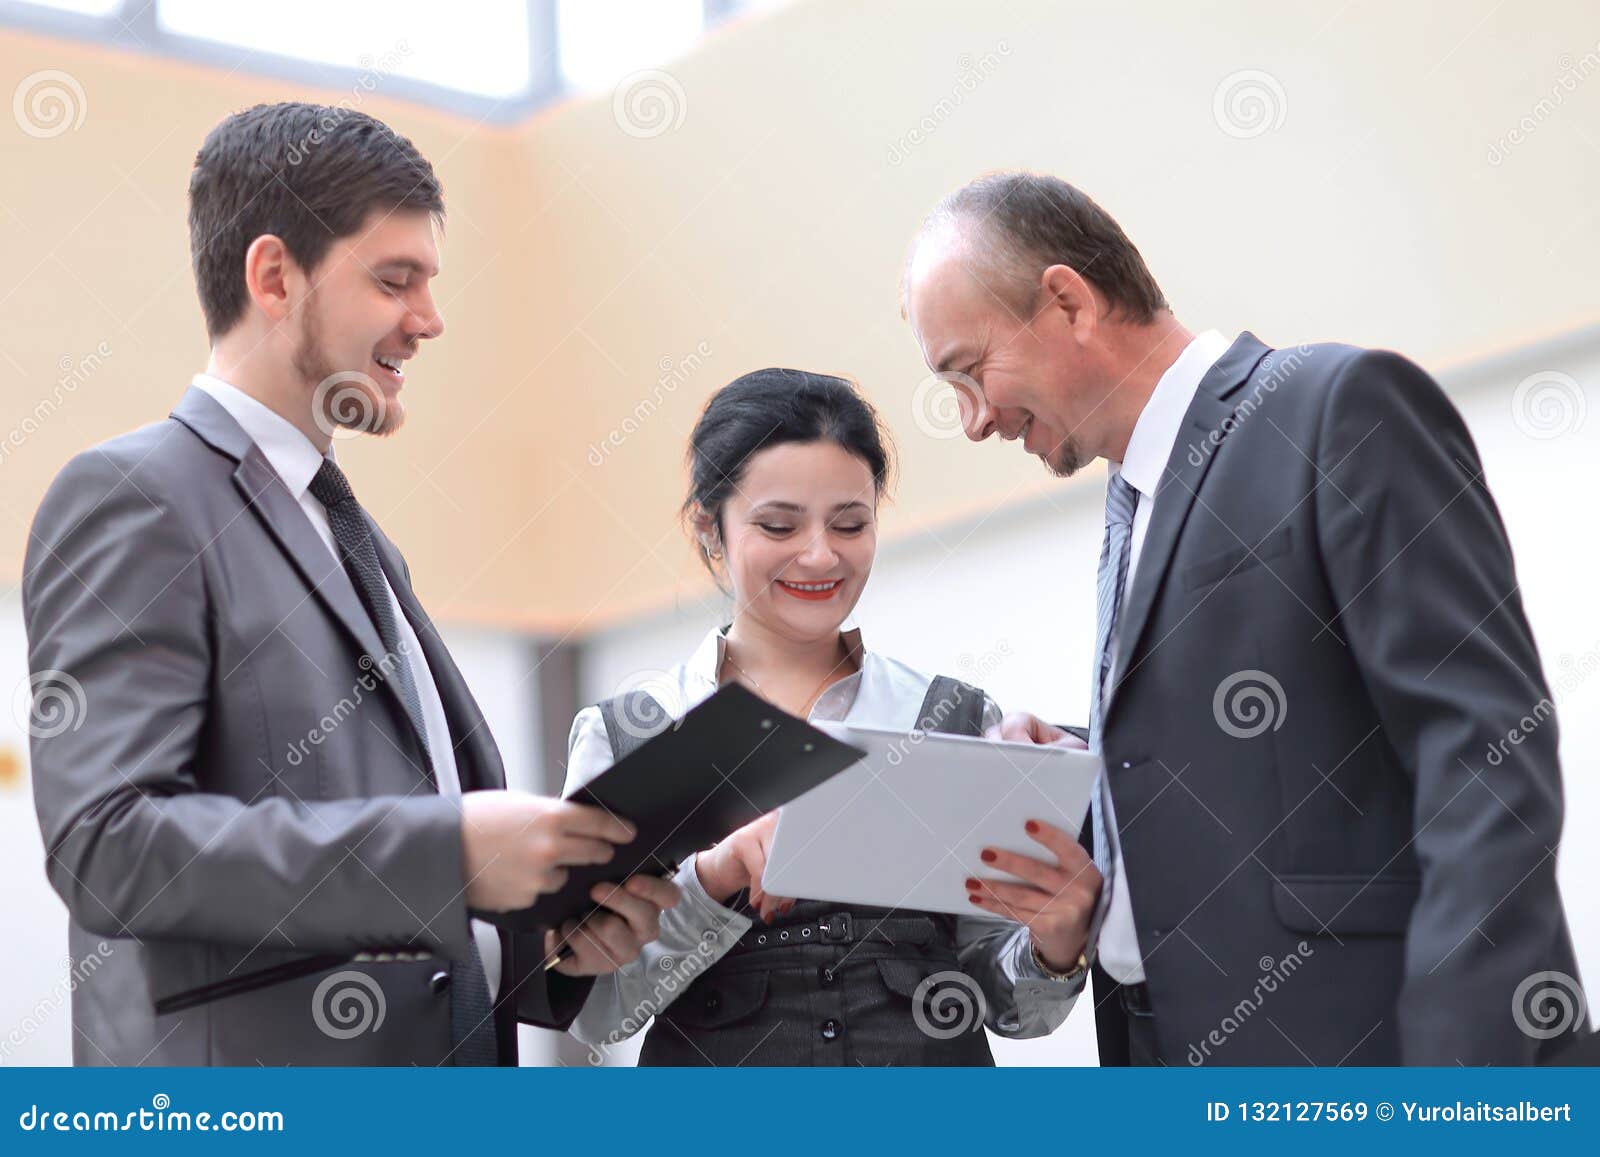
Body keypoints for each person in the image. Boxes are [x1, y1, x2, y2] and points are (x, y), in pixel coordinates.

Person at [22, 102, 678, 1066]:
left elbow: (408, 894)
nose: (429, 319)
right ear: (274, 275)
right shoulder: (135, 497)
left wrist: (544, 942)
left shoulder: (360, 540)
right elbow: (108, 846)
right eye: (393, 279)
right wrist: (452, 852)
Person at [900, 170, 1586, 1065]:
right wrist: (1091, 775)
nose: (974, 420)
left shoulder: (1335, 406)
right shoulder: (1128, 501)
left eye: (968, 371)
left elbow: (1484, 751)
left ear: (1067, 301)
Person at [563, 368, 1100, 1065]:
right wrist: (716, 875)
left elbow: (1010, 1008)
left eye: (850, 523)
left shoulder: (950, 716)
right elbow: (598, 1010)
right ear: (709, 527)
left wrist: (1055, 942)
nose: (820, 554)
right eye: (778, 524)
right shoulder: (631, 733)